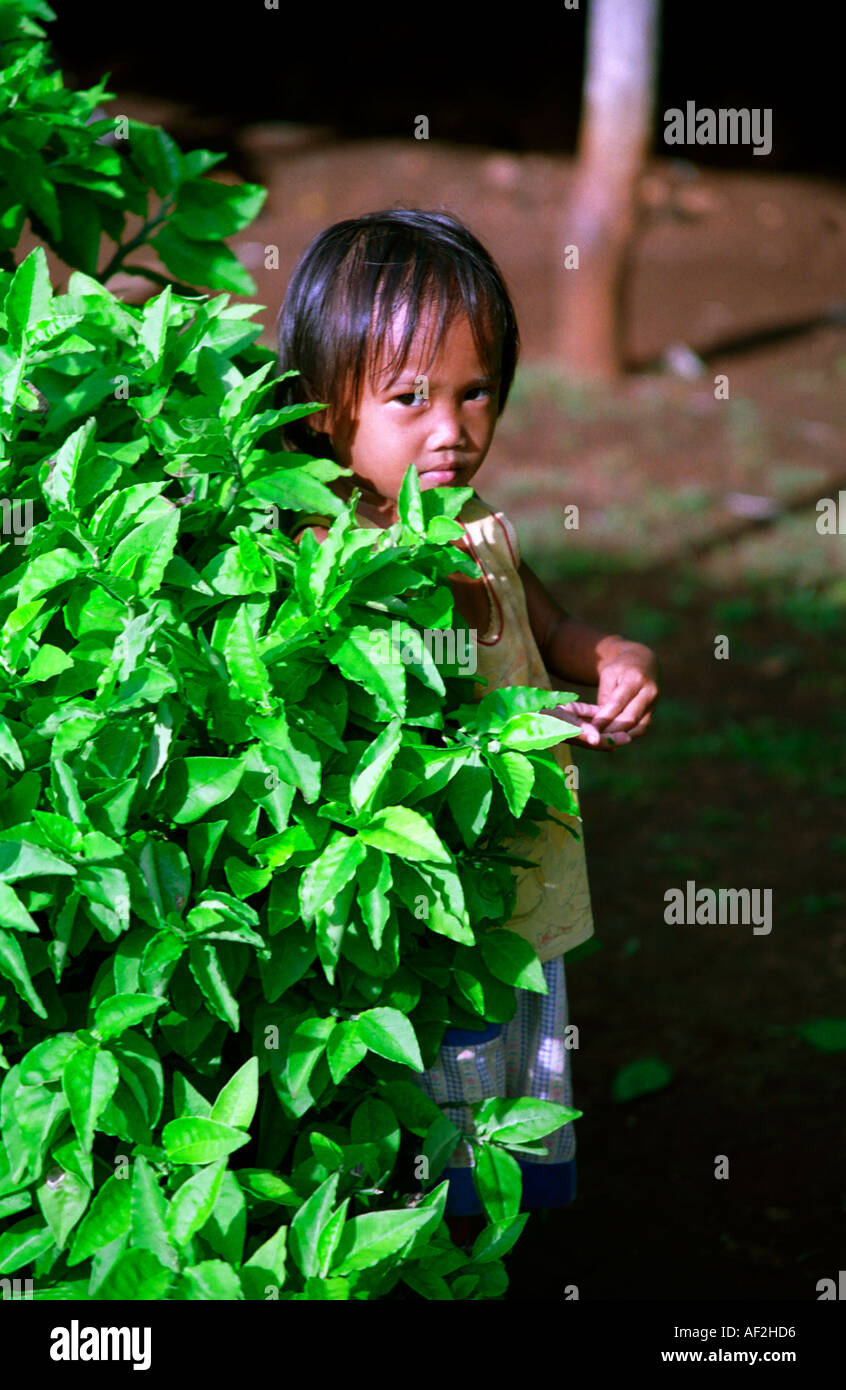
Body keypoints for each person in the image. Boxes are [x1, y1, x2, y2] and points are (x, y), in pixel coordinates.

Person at [275, 208, 659, 1249]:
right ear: (322, 408)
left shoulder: (480, 526)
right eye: (409, 399)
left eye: (474, 391)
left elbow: (560, 631)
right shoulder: (327, 563)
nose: (451, 429)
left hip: (518, 902)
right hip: (429, 926)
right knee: (425, 1137)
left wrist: (619, 660)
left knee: (498, 1141)